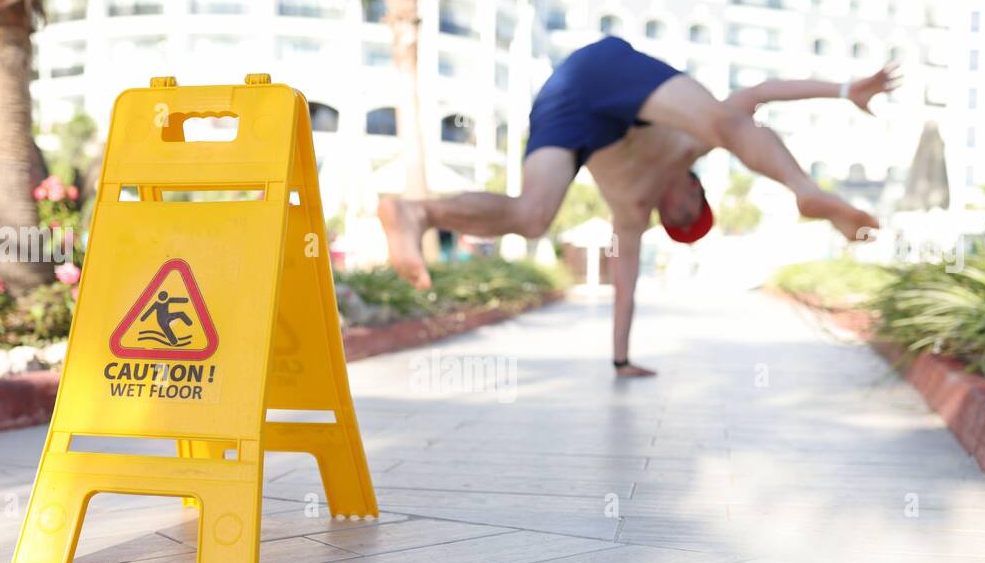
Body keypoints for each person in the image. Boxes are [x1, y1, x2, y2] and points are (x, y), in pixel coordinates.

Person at [379, 36, 899, 376]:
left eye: (670, 223)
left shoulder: (631, 212)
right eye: (680, 214)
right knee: (727, 120)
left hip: (571, 114)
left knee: (531, 215)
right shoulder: (689, 144)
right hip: (598, 73)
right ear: (695, 190)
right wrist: (844, 88)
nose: (665, 213)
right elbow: (761, 92)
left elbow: (625, 286)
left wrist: (621, 359)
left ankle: (419, 212)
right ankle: (802, 188)